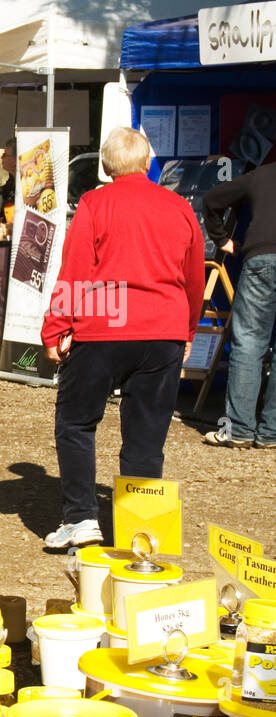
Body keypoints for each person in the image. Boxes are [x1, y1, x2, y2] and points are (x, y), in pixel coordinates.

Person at [40, 127, 204, 550]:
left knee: (76, 421)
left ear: (106, 165)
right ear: (148, 161)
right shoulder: (179, 206)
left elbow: (74, 268)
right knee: (147, 434)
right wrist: (186, 331)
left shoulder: (95, 203)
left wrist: (56, 326)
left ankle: (81, 519)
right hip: (163, 328)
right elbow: (192, 278)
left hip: (104, 325)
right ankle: (140, 530)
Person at [201, 160, 276, 449]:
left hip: (260, 258)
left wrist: (223, 240)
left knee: (249, 343)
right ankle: (270, 433)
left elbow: (211, 199)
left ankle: (240, 430)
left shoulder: (261, 175)